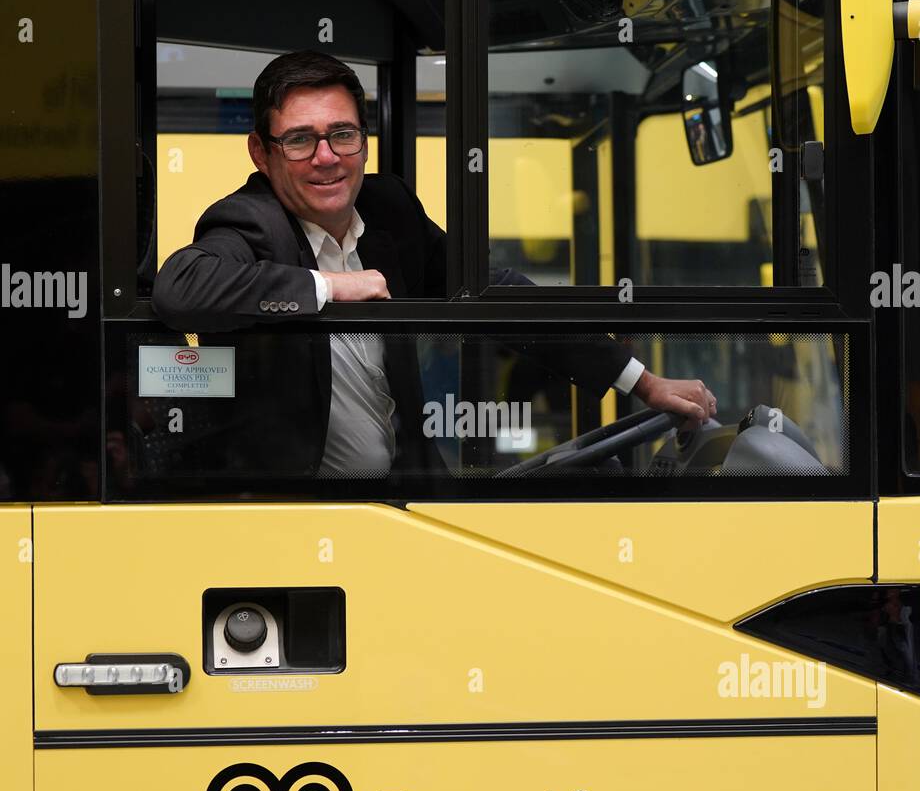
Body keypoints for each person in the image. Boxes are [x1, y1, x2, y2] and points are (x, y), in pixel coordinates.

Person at [152, 51, 716, 476]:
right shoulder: (248, 221)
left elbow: (491, 293)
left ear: (364, 142)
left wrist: (640, 382)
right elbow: (180, 289)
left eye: (342, 135)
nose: (327, 158)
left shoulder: (389, 209)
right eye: (300, 140)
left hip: (406, 502)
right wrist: (328, 287)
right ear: (261, 152)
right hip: (290, 516)